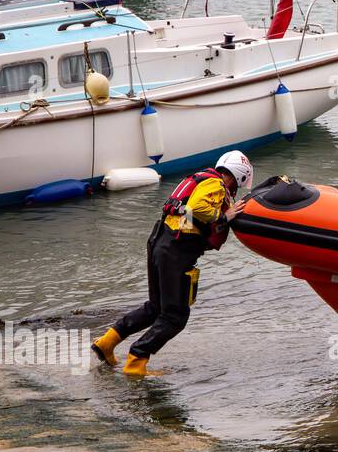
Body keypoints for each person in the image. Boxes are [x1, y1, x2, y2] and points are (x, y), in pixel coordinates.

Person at [91, 150, 253, 376]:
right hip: (175, 252)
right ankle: (136, 361)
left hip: (160, 242)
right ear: (237, 178)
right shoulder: (216, 185)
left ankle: (106, 343)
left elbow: (187, 215)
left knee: (155, 307)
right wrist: (225, 217)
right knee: (175, 317)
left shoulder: (200, 179)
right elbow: (197, 209)